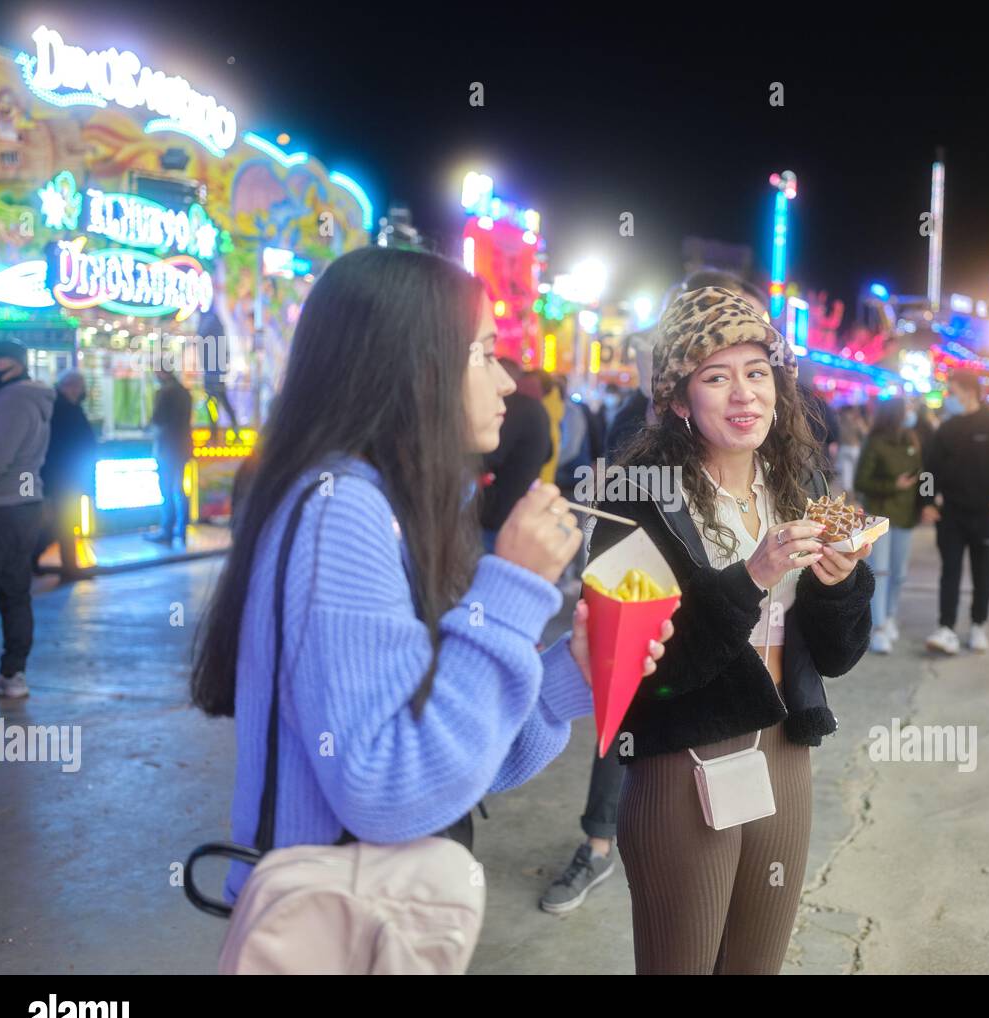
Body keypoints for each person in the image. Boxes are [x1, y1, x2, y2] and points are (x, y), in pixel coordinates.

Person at [188, 247, 673, 922]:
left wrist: (573, 673)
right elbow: (389, 790)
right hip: (331, 934)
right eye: (483, 354)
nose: (508, 382)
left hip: (375, 924)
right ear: (412, 367)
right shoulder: (341, 511)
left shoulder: (386, 503)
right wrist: (514, 587)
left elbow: (455, 769)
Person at [581, 286, 873, 973]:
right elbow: (642, 673)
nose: (744, 395)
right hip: (684, 763)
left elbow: (838, 655)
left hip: (785, 750)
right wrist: (749, 578)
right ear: (680, 400)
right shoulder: (637, 497)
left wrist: (841, 584)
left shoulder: (798, 482)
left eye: (756, 373)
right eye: (716, 377)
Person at [922, 370, 989, 654]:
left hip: (985, 513)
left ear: (968, 391)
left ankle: (978, 624)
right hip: (950, 513)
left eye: (952, 391)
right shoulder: (947, 428)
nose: (949, 397)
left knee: (982, 571)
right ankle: (946, 627)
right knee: (949, 571)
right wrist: (927, 502)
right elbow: (928, 470)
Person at [0, 339, 54, 698]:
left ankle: (12, 673)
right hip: (25, 504)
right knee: (14, 594)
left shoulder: (11, 401)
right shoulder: (33, 398)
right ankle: (13, 674)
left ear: (11, 364)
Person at [853, 396, 921, 653]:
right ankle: (877, 625)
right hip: (880, 516)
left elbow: (924, 474)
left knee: (898, 573)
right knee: (879, 571)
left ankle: (890, 614)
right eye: (907, 408)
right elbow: (861, 482)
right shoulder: (875, 442)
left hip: (906, 516)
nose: (911, 413)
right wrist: (894, 485)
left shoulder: (912, 440)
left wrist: (928, 502)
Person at [479, 357, 552, 554]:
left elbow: (491, 456)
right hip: (519, 509)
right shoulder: (539, 408)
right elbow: (550, 452)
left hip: (499, 514)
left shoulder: (515, 408)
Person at [35, 368, 96, 580]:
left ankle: (50, 563)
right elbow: (65, 443)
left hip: (66, 474)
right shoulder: (61, 408)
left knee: (62, 522)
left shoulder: (63, 406)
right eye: (79, 386)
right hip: (64, 475)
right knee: (62, 522)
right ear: (70, 386)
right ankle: (66, 567)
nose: (81, 391)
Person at [145, 366, 193, 545]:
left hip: (166, 445)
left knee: (166, 488)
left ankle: (166, 529)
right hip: (183, 446)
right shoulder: (185, 393)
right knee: (179, 489)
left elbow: (157, 418)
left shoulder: (164, 392)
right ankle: (182, 528)